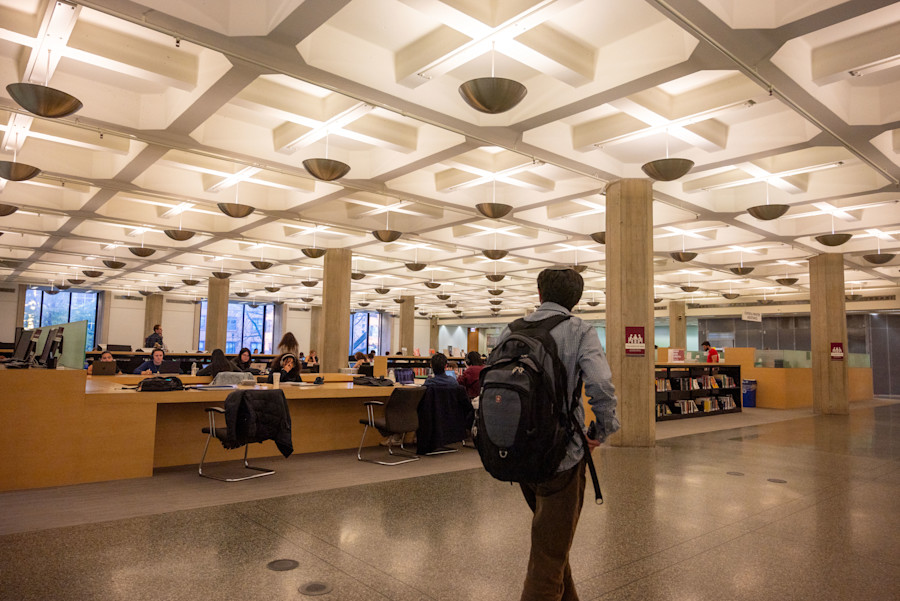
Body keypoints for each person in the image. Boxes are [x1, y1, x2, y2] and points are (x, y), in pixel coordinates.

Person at [494, 267, 619, 601]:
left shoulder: (509, 330)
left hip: (519, 453)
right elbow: (602, 386)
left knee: (552, 545)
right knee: (548, 557)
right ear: (576, 300)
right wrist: (601, 431)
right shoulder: (579, 329)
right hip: (561, 457)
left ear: (539, 294)